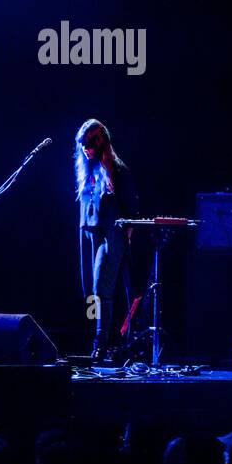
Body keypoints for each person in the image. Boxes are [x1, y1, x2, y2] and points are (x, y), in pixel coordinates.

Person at [74, 119, 138, 361]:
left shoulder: (118, 170)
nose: (85, 149)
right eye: (82, 145)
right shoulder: (86, 170)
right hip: (89, 232)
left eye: (89, 144)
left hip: (112, 233)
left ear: (100, 143)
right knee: (91, 288)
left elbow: (132, 209)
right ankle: (99, 340)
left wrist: (126, 240)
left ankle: (100, 344)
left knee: (102, 287)